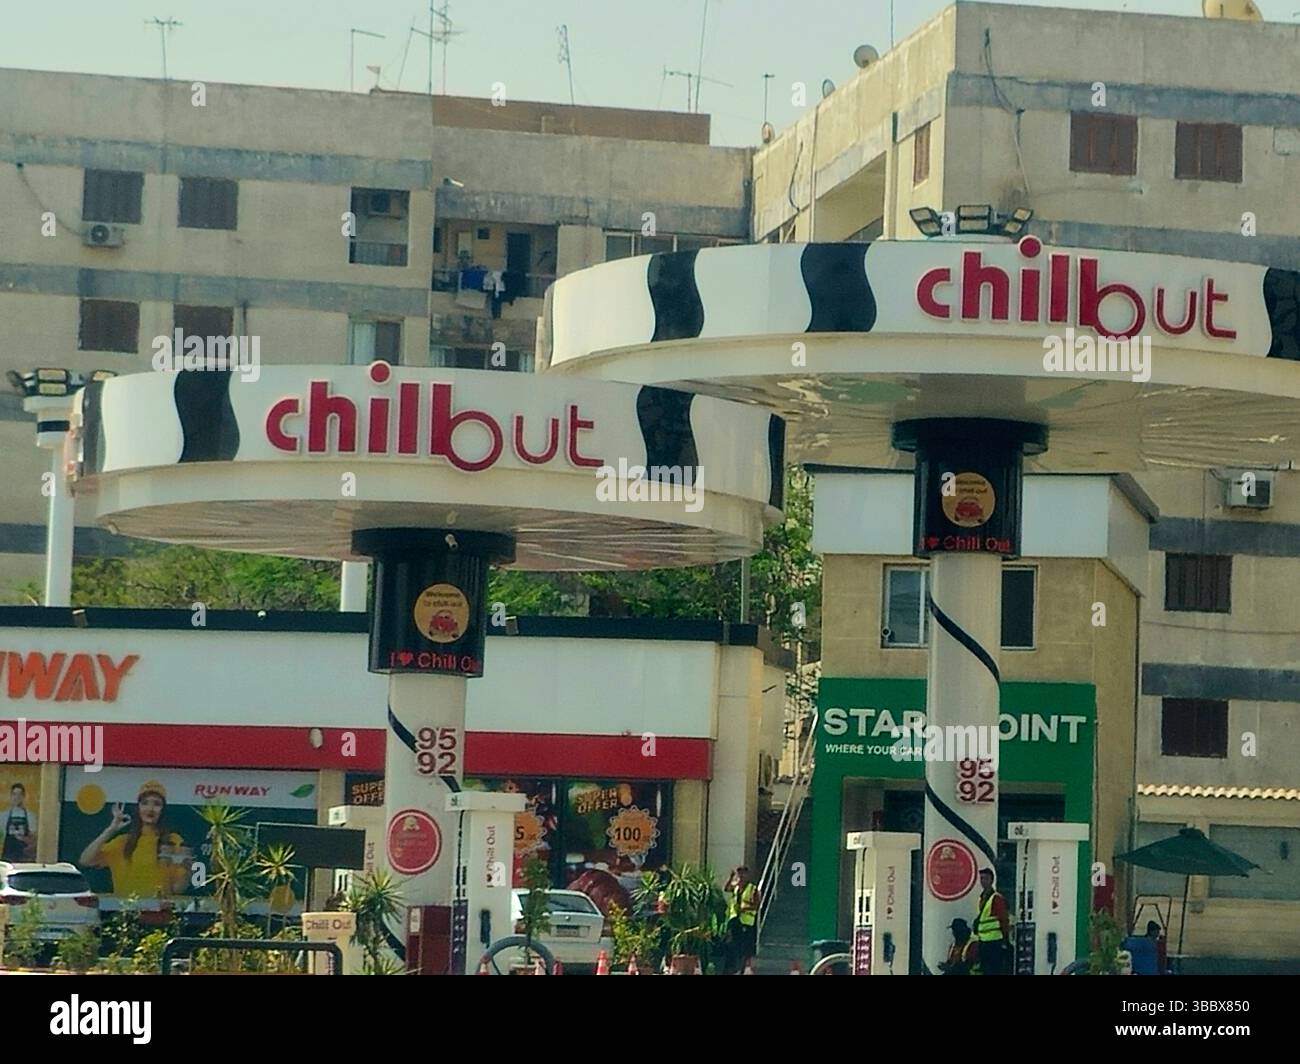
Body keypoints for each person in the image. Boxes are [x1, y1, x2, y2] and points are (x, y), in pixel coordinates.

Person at [79, 781, 185, 898]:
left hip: (159, 913)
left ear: (163, 810)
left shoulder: (174, 841)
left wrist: (188, 870)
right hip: (126, 912)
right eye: (145, 803)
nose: (150, 809)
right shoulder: (122, 842)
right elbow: (85, 860)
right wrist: (111, 829)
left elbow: (178, 888)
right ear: (138, 808)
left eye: (157, 804)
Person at [973, 867, 1012, 975]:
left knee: (993, 970)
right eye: (981, 879)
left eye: (985, 878)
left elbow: (1003, 919)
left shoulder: (996, 898)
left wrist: (1005, 939)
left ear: (991, 880)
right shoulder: (983, 897)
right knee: (985, 970)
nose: (983, 881)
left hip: (995, 942)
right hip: (984, 941)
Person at [723, 866, 761, 974]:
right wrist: (730, 878)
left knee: (744, 947)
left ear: (747, 875)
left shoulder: (752, 889)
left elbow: (757, 905)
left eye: (743, 874)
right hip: (735, 919)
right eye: (739, 874)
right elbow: (726, 888)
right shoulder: (736, 886)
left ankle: (743, 968)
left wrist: (745, 908)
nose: (741, 877)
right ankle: (732, 968)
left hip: (746, 921)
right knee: (731, 944)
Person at [1, 782, 37, 861]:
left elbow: (33, 840)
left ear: (23, 797)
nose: (16, 797)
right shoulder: (3, 816)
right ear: (10, 796)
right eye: (14, 794)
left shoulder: (30, 816)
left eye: (19, 794)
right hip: (7, 857)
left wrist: (23, 839)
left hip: (24, 858)